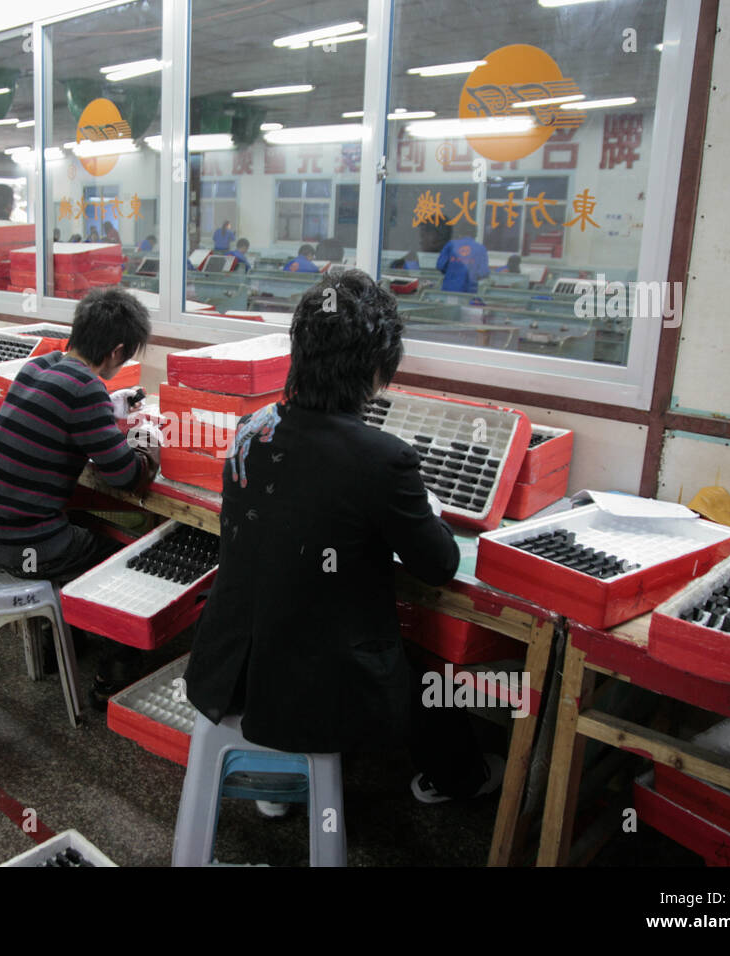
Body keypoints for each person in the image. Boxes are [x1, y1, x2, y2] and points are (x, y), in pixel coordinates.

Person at [184, 270, 503, 815]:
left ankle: (281, 775)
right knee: (430, 669)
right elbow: (439, 564)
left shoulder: (250, 428)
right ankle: (456, 778)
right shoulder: (383, 458)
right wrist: (425, 509)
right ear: (378, 370)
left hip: (227, 668)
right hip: (316, 692)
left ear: (299, 351)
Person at [0, 286, 161, 707]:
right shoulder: (85, 388)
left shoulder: (39, 367)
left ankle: (58, 648)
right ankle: (112, 682)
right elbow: (127, 475)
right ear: (116, 351)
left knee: (80, 531)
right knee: (123, 560)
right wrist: (148, 438)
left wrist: (105, 423)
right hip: (23, 545)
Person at [437, 223, 490, 293]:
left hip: (449, 290)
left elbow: (440, 266)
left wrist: (453, 274)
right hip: (469, 292)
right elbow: (483, 273)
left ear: (459, 233)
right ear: (475, 234)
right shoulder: (480, 248)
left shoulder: (450, 245)